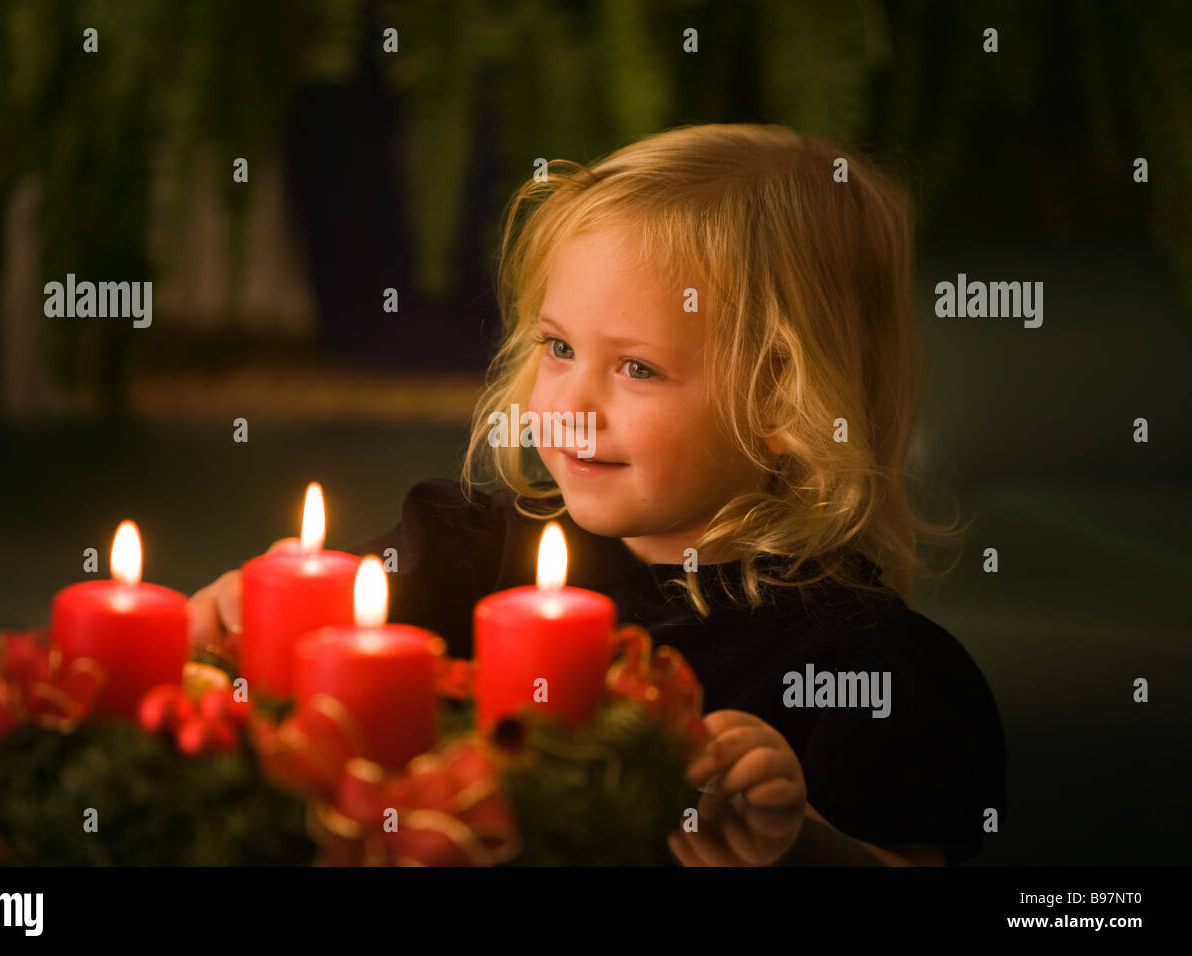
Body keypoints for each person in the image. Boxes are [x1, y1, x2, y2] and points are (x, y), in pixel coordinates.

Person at [190, 123, 1006, 867]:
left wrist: (793, 844)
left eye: (637, 368)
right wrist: (252, 620)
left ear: (781, 407)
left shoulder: (876, 669)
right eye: (559, 347)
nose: (570, 406)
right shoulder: (459, 551)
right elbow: (329, 633)